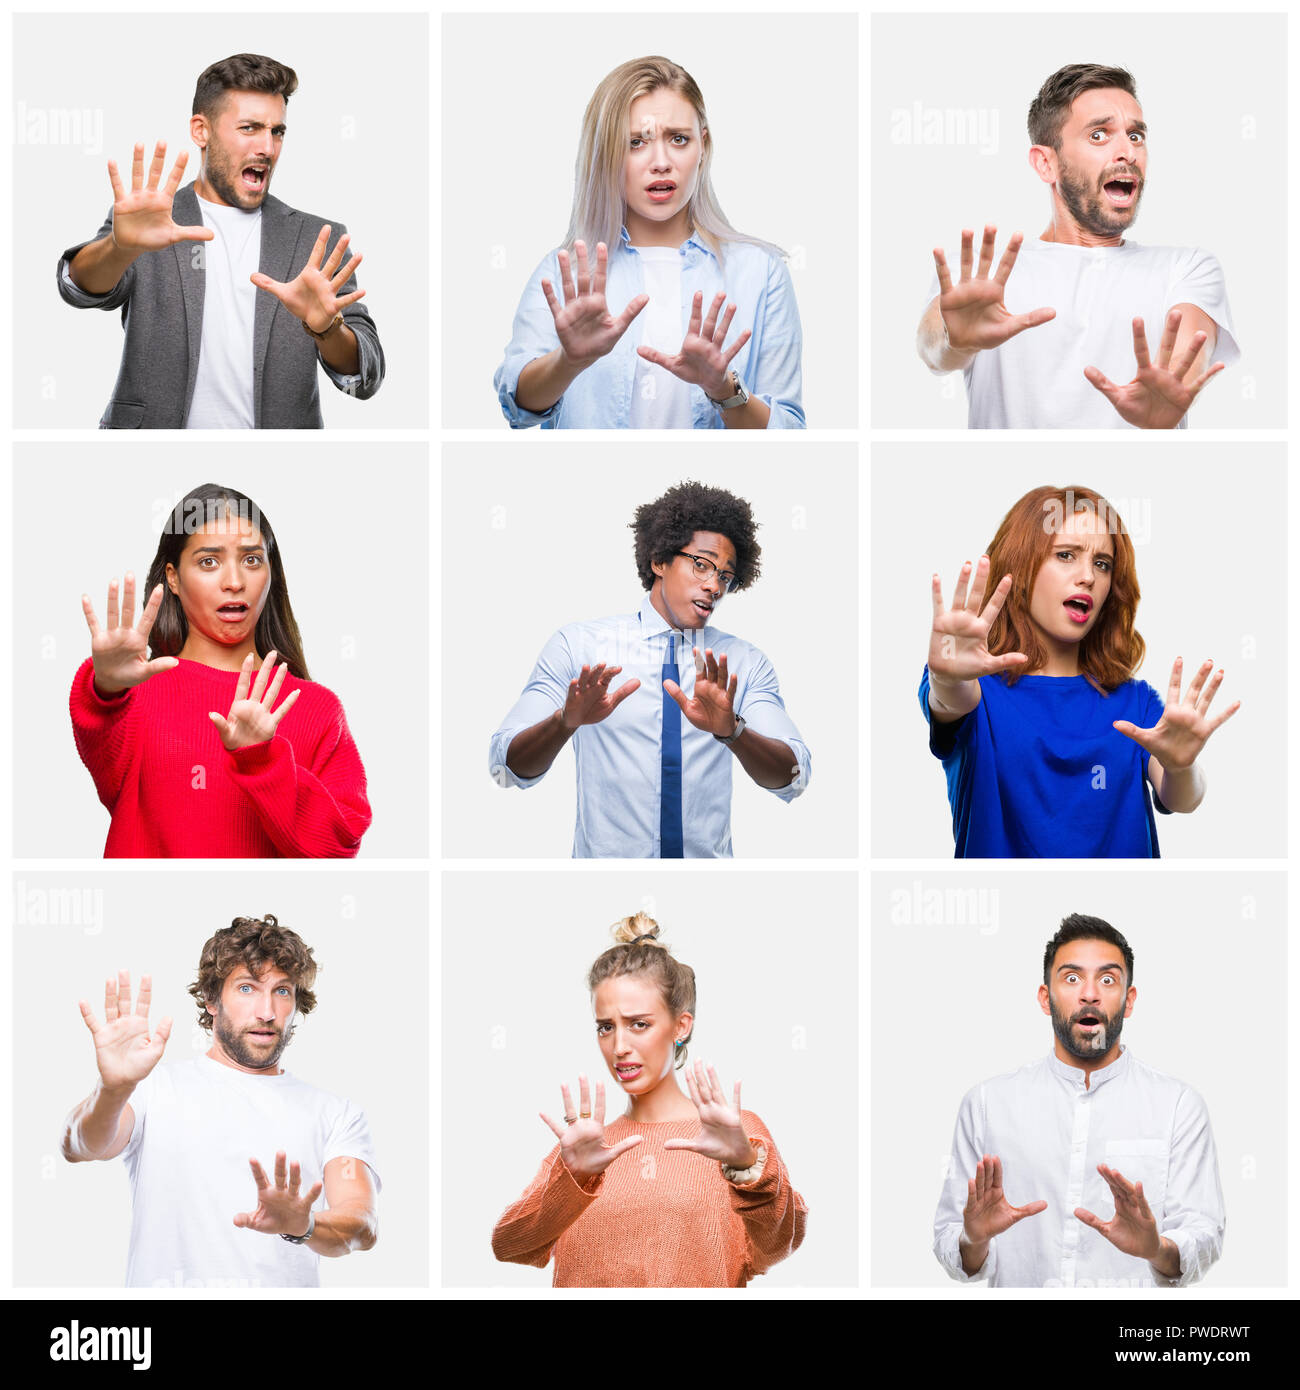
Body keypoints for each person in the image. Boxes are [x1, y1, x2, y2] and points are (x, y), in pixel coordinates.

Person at [56, 52, 384, 428]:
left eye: (277, 131)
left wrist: (327, 329)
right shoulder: (151, 221)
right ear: (201, 130)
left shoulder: (318, 240)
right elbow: (78, 289)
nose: (268, 147)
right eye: (250, 128)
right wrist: (121, 248)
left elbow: (366, 378)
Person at [489, 480, 811, 857]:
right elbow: (505, 768)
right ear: (659, 561)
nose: (714, 586)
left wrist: (733, 732)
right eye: (702, 565)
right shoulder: (578, 646)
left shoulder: (742, 662)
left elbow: (794, 778)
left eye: (725, 576)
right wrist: (564, 723)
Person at [61, 915, 380, 1288]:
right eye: (247, 988)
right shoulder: (154, 1088)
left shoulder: (336, 1114)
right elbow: (80, 1146)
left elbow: (362, 1225)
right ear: (212, 999)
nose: (267, 1011)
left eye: (282, 991)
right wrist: (113, 1090)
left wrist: (303, 1224)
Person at [920, 484, 1238, 857]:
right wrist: (947, 676)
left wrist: (1182, 767)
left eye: (1102, 563)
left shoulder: (1134, 701)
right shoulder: (976, 690)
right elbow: (951, 699)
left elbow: (1183, 798)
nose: (1088, 575)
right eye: (1066, 555)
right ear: (1022, 566)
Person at [916, 63, 1238, 428]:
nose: (1127, 153)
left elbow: (1188, 353)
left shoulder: (1186, 267)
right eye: (1099, 135)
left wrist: (1172, 392)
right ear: (1046, 164)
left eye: (1135, 136)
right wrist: (954, 339)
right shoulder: (983, 275)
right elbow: (931, 351)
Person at [492, 913, 806, 1286]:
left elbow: (779, 1245)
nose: (619, 1047)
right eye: (606, 1027)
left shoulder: (734, 1137)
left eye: (639, 1024)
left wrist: (745, 1166)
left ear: (681, 1026)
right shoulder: (586, 1147)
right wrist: (573, 1178)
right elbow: (509, 1246)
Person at [495, 55, 804, 429]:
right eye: (636, 142)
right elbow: (517, 405)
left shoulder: (761, 273)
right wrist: (569, 361)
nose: (661, 162)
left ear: (702, 145)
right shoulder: (567, 271)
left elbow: (788, 432)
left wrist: (723, 389)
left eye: (678, 139)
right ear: (607, 153)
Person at [71, 482, 372, 857]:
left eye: (251, 560)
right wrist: (107, 690)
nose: (234, 582)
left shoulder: (316, 708)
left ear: (271, 573)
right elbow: (103, 753)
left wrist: (262, 759)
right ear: (174, 578)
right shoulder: (136, 694)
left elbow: (337, 848)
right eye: (208, 561)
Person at [933, 914, 1224, 1288]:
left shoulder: (1179, 1106)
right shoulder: (987, 1103)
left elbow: (1204, 1233)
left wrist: (1157, 1249)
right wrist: (974, 1239)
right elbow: (949, 1240)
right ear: (1045, 997)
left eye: (1107, 979)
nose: (1090, 993)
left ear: (1129, 1000)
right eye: (1072, 978)